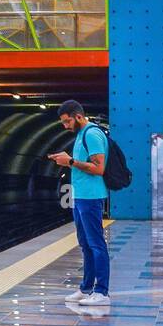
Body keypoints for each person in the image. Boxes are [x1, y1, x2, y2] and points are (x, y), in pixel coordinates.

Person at [48, 99, 110, 305]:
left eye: (67, 122)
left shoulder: (92, 134)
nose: (65, 126)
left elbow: (99, 168)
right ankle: (86, 289)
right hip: (81, 196)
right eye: (63, 123)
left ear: (78, 116)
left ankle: (101, 292)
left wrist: (71, 162)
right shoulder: (81, 135)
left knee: (96, 244)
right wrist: (65, 160)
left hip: (91, 197)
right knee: (85, 244)